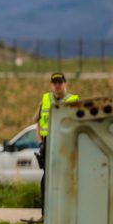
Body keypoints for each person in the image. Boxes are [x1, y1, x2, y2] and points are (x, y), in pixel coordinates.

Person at [34, 72, 79, 212]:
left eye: (60, 82)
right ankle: (45, 214)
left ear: (65, 84)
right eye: (55, 83)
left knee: (67, 178)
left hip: (67, 142)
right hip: (49, 142)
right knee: (47, 179)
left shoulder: (74, 100)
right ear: (51, 85)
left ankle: (67, 212)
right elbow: (37, 121)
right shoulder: (45, 99)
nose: (58, 85)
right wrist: (40, 142)